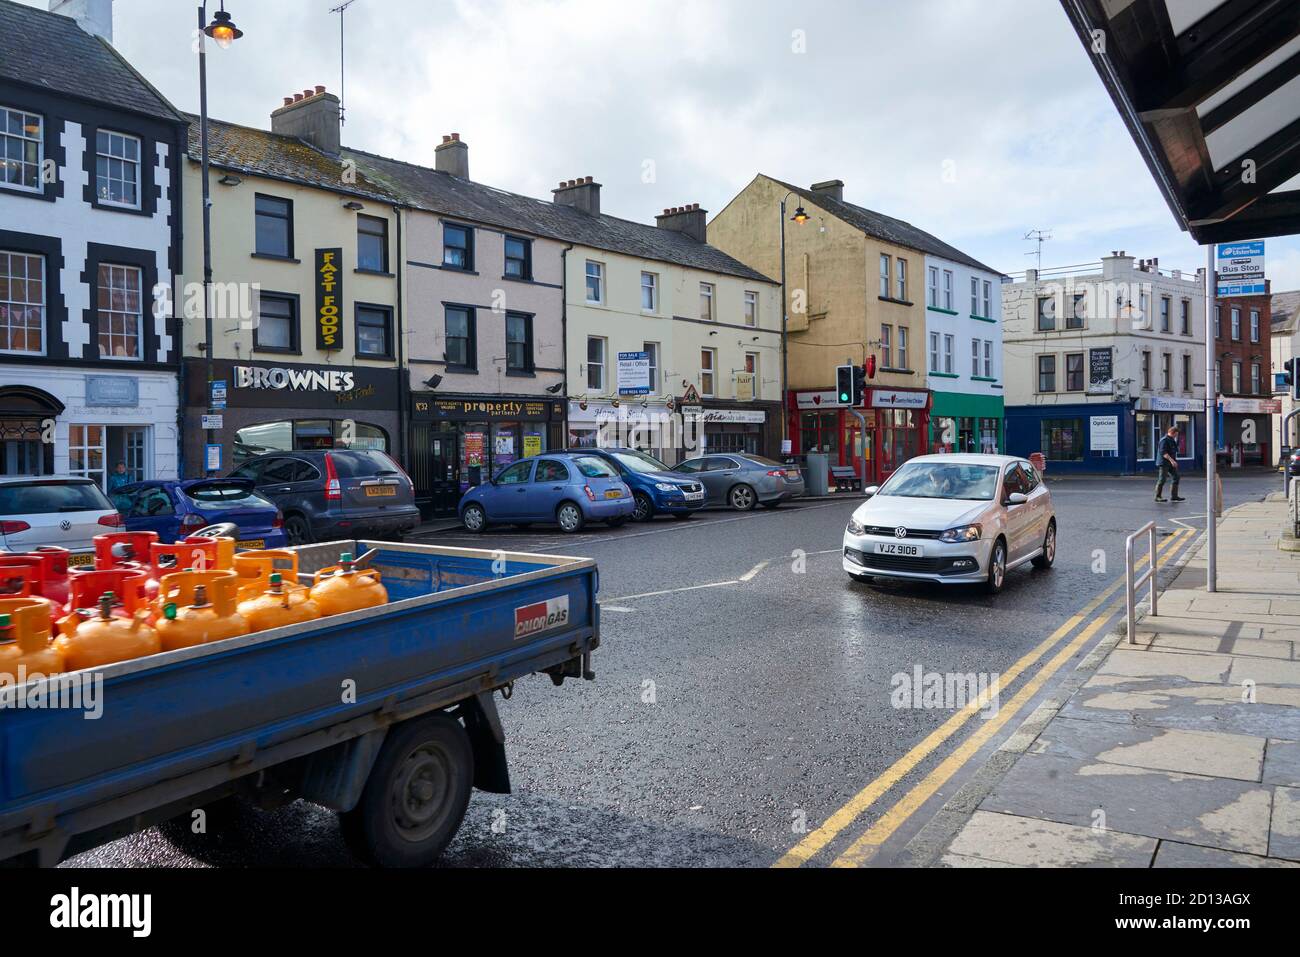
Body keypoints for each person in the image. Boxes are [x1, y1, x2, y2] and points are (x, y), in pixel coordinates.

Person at [1154, 427, 1185, 503]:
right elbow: (1164, 453)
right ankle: (1157, 496)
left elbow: (1173, 451)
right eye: (1176, 434)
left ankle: (1174, 496)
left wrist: (1173, 461)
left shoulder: (1171, 440)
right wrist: (1172, 461)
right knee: (1162, 479)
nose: (1176, 436)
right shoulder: (1164, 440)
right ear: (1173, 433)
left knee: (1176, 477)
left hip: (1171, 462)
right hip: (1164, 463)